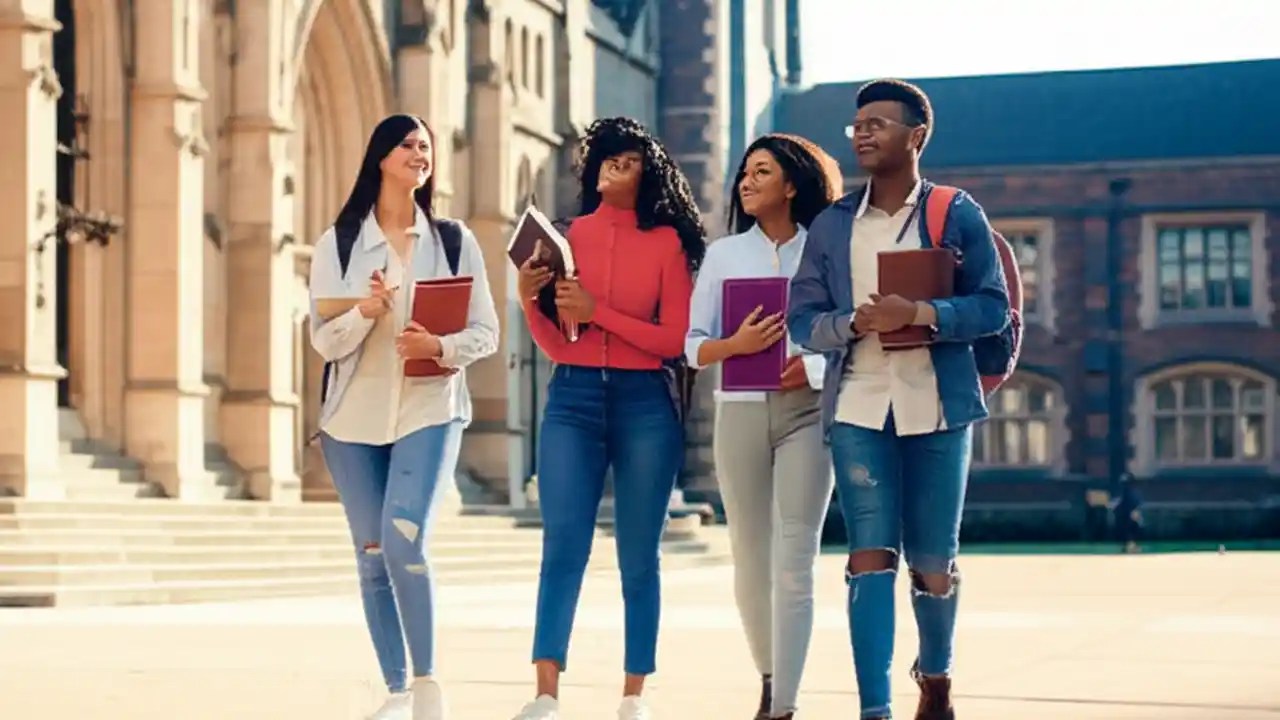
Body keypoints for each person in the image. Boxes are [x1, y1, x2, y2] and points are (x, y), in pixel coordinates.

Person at [786, 79, 1010, 720]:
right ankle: (874, 709)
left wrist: (919, 311)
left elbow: (992, 308)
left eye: (878, 123)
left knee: (934, 560)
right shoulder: (831, 225)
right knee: (870, 556)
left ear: (916, 136)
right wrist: (852, 324)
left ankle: (935, 677)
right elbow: (802, 318)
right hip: (858, 403)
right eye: (857, 124)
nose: (862, 133)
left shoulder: (954, 212)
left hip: (939, 406)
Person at [511, 116, 705, 720]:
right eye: (606, 160)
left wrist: (601, 312)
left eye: (627, 163)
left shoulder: (668, 243)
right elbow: (558, 343)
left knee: (638, 553)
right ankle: (545, 694)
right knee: (562, 546)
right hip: (571, 398)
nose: (612, 169)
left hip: (645, 402)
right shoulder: (569, 238)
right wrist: (527, 299)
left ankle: (632, 696)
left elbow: (672, 338)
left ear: (646, 177)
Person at [308, 114, 500, 720]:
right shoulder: (336, 243)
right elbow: (323, 342)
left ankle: (426, 683)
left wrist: (438, 349)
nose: (420, 154)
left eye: (427, 146)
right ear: (381, 158)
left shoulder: (454, 241)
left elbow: (486, 332)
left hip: (430, 410)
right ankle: (394, 692)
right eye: (408, 145)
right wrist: (366, 312)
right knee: (371, 555)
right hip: (351, 426)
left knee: (404, 539)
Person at [684, 133, 842, 720]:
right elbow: (692, 347)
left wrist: (816, 368)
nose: (746, 182)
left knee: (795, 558)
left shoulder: (826, 252)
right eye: (744, 173)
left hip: (807, 415)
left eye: (762, 171)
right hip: (741, 413)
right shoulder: (724, 255)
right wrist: (737, 344)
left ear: (792, 184)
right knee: (750, 560)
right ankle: (770, 677)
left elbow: (849, 331)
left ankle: (784, 707)